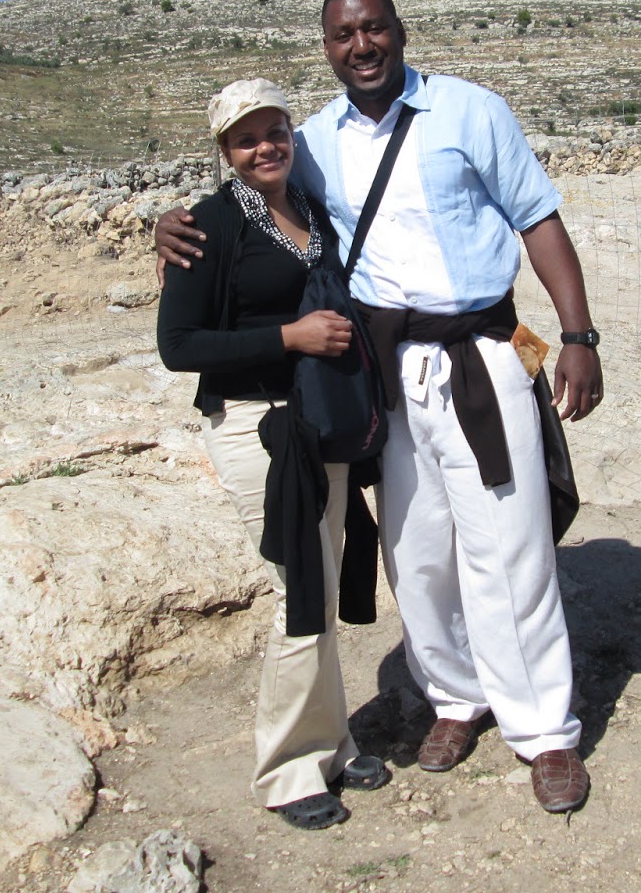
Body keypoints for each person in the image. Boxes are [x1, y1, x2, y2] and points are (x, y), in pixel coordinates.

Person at [158, 0, 605, 814]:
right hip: (386, 373)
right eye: (341, 34)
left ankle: (545, 729)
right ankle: (455, 696)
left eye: (373, 29)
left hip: (481, 355)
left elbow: (538, 219)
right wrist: (171, 225)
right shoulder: (315, 139)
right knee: (417, 548)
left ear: (398, 31)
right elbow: (254, 199)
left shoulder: (471, 111)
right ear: (325, 47)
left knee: (511, 544)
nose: (360, 46)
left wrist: (576, 338)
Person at [155, 77, 390, 830]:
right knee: (298, 591)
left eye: (275, 130)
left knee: (318, 583)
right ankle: (288, 770)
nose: (266, 147)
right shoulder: (208, 225)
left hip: (315, 421)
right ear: (224, 151)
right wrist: (287, 339)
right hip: (257, 425)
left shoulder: (308, 210)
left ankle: (331, 741)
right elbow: (178, 345)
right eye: (247, 138)